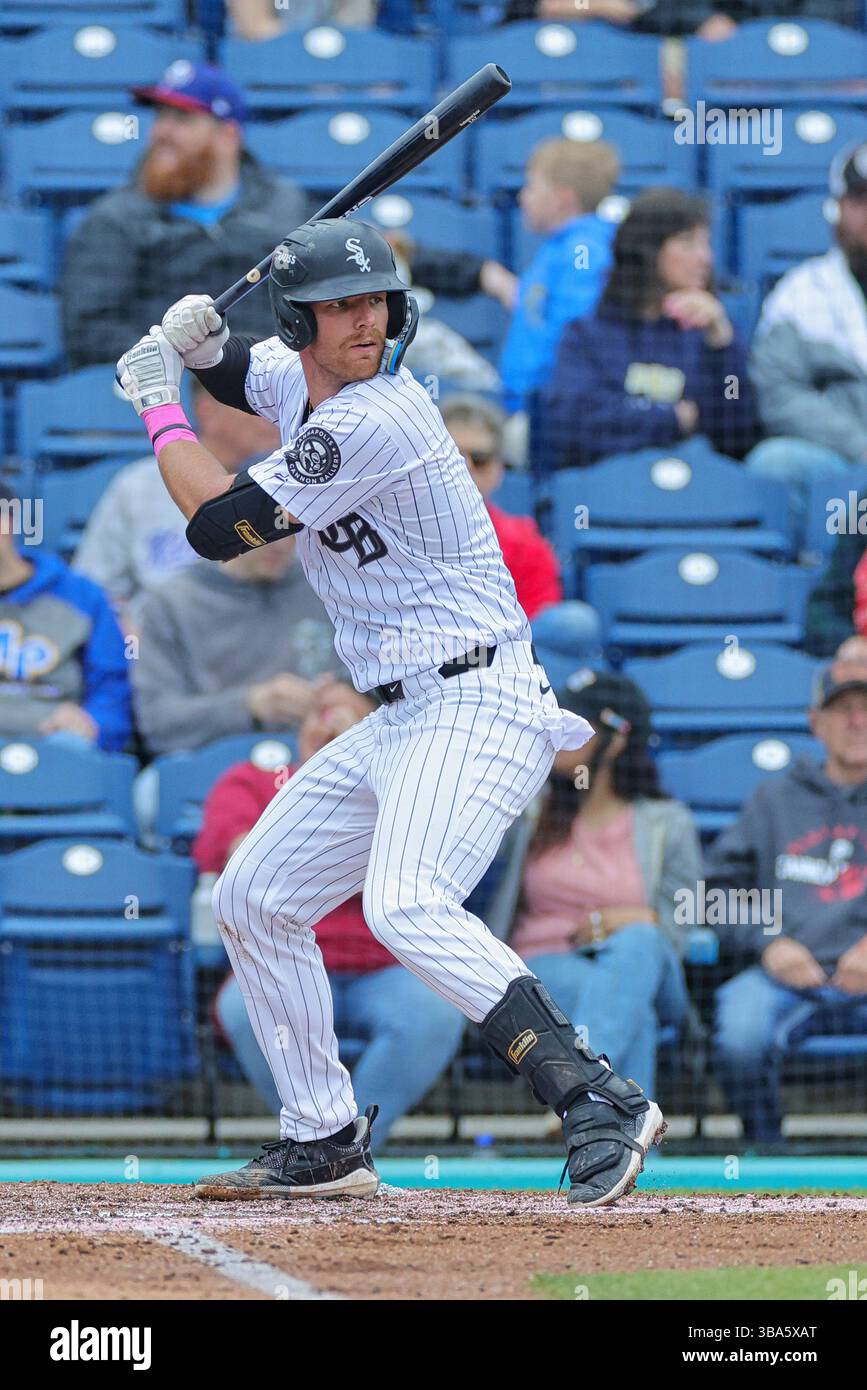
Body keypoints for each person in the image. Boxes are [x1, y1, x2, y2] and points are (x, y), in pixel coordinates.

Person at [115, 215, 666, 1208]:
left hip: (479, 698)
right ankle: (323, 1134)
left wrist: (161, 404)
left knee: (405, 901)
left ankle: (594, 1095)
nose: (364, 320)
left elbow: (219, 525)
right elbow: (253, 374)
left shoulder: (378, 417)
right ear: (300, 320)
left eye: (374, 299)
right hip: (403, 715)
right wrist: (204, 349)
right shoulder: (300, 371)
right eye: (339, 305)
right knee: (254, 897)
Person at [198, 682, 465, 1143]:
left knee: (436, 1013)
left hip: (384, 964)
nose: (328, 725)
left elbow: (416, 862)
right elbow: (240, 859)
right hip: (280, 962)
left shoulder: (406, 789)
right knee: (238, 1009)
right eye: (319, 714)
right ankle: (318, 1140)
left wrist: (366, 772)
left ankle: (356, 1147)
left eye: (348, 717)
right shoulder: (258, 780)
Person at [488, 670, 698, 1098]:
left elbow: (678, 931)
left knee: (639, 945)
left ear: (617, 739)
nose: (558, 729)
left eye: (576, 721)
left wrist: (641, 919)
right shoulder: (525, 809)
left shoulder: (666, 824)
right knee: (629, 1013)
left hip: (647, 971)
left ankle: (583, 1090)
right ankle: (622, 1143)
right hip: (542, 967)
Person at [707, 656, 867, 1143]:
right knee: (739, 1034)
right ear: (814, 723)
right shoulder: (774, 799)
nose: (857, 721)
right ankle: (766, 1150)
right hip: (785, 974)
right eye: (843, 709)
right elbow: (713, 896)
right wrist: (770, 942)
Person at [61, 61, 309, 368]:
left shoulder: (284, 206)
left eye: (182, 118)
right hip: (164, 390)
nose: (162, 131)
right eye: (160, 116)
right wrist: (192, 365)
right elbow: (89, 331)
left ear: (228, 135)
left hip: (273, 384)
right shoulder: (116, 217)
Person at [541, 187, 758, 470]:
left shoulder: (712, 336)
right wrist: (675, 419)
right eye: (687, 242)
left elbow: (740, 438)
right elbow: (573, 428)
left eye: (706, 244)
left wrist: (722, 343)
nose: (706, 258)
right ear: (647, 249)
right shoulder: (587, 336)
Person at [72, 379, 280, 634]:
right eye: (259, 405)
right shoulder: (138, 487)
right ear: (208, 410)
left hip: (254, 649)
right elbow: (93, 589)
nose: (275, 415)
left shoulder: (290, 486)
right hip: (157, 650)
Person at [131, 533, 343, 757]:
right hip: (212, 768)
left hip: (318, 759)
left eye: (291, 532)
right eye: (267, 532)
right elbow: (157, 724)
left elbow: (365, 690)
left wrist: (343, 700)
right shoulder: (172, 603)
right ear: (234, 521)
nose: (281, 545)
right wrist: (250, 705)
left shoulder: (323, 586)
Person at [748, 143, 867, 526]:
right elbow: (780, 394)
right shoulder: (801, 291)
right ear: (837, 207)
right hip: (842, 460)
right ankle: (820, 580)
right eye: (860, 201)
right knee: (775, 463)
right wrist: (860, 446)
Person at [440, 393, 602, 660]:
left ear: (498, 469)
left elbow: (537, 620)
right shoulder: (391, 531)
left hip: (496, 657)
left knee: (575, 623)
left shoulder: (524, 540)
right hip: (420, 653)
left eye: (479, 459)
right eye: (453, 455)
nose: (465, 467)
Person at [0, 479, 131, 751]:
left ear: (7, 522)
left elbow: (112, 688)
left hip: (53, 742)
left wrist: (93, 723)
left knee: (74, 748)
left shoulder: (80, 595)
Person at [499, 138, 621, 414]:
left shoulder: (584, 251)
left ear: (562, 198)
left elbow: (571, 333)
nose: (522, 196)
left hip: (548, 408)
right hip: (526, 402)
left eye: (531, 186)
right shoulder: (559, 247)